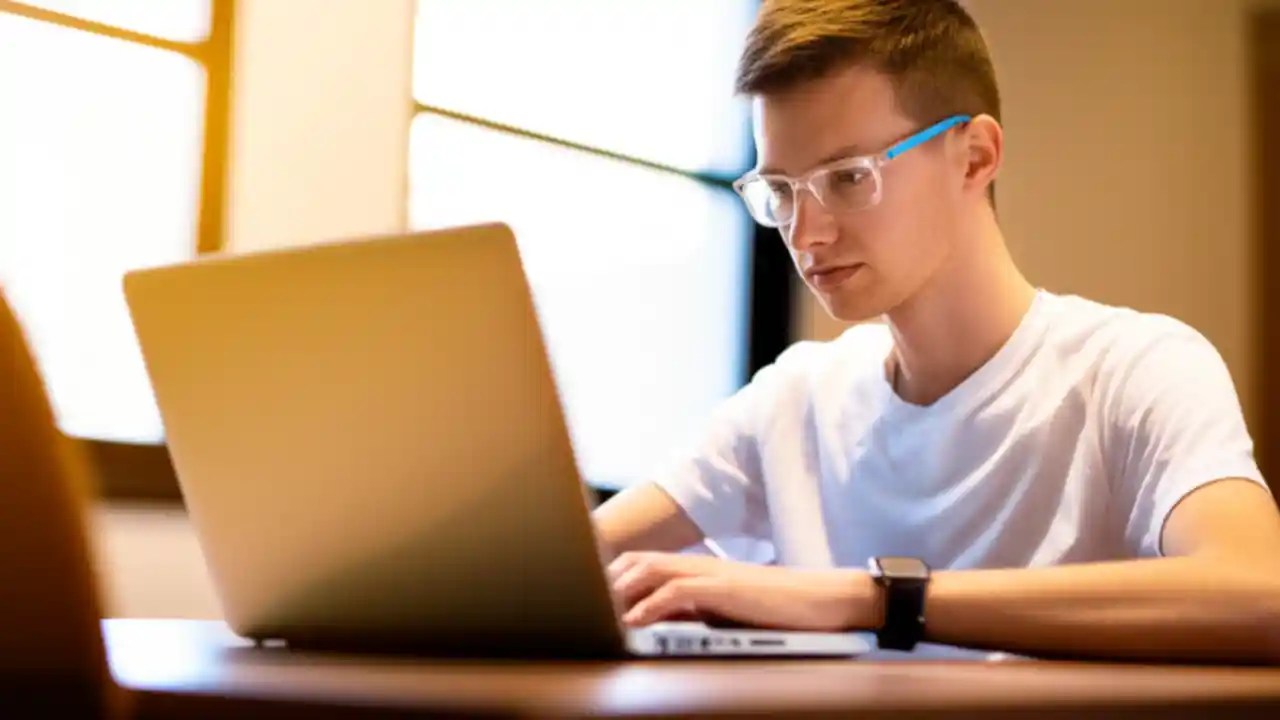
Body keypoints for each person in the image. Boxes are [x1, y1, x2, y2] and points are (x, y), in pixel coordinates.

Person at [593, 0, 1280, 662]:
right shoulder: (796, 399)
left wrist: (872, 600)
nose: (806, 234)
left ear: (976, 157)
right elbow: (576, 558)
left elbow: (1261, 595)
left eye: (848, 178)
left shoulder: (1134, 371)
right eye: (781, 190)